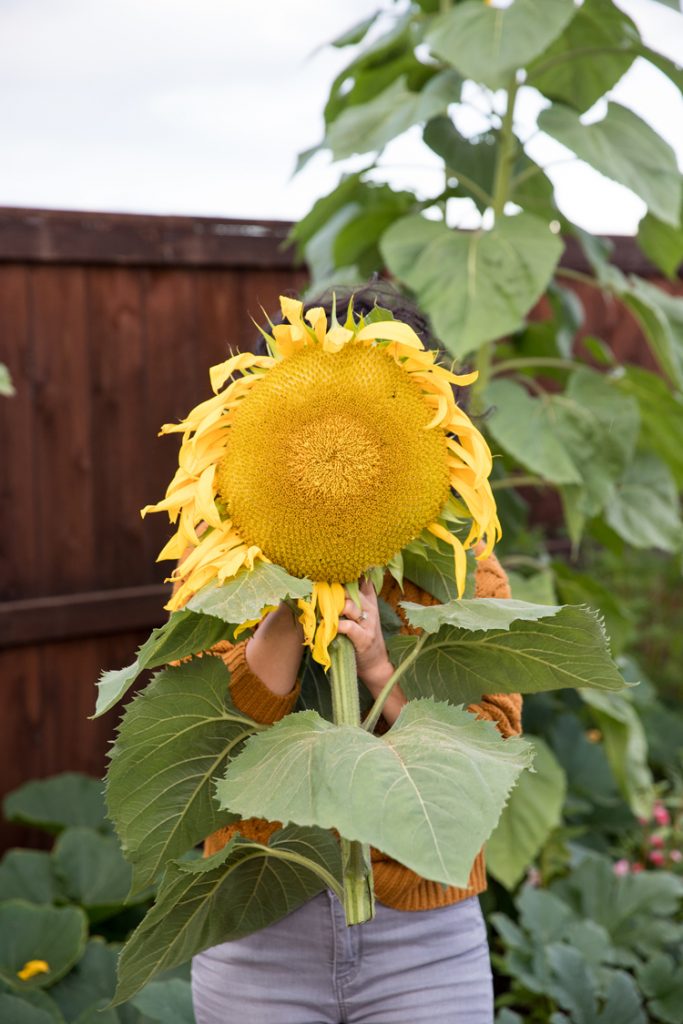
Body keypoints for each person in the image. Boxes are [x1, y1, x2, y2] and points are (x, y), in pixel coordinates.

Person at [188, 285, 522, 1024]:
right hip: (256, 924)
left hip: (423, 931)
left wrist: (378, 667)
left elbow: (490, 741)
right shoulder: (225, 549)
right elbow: (204, 736)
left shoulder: (460, 569)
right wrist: (285, 591)